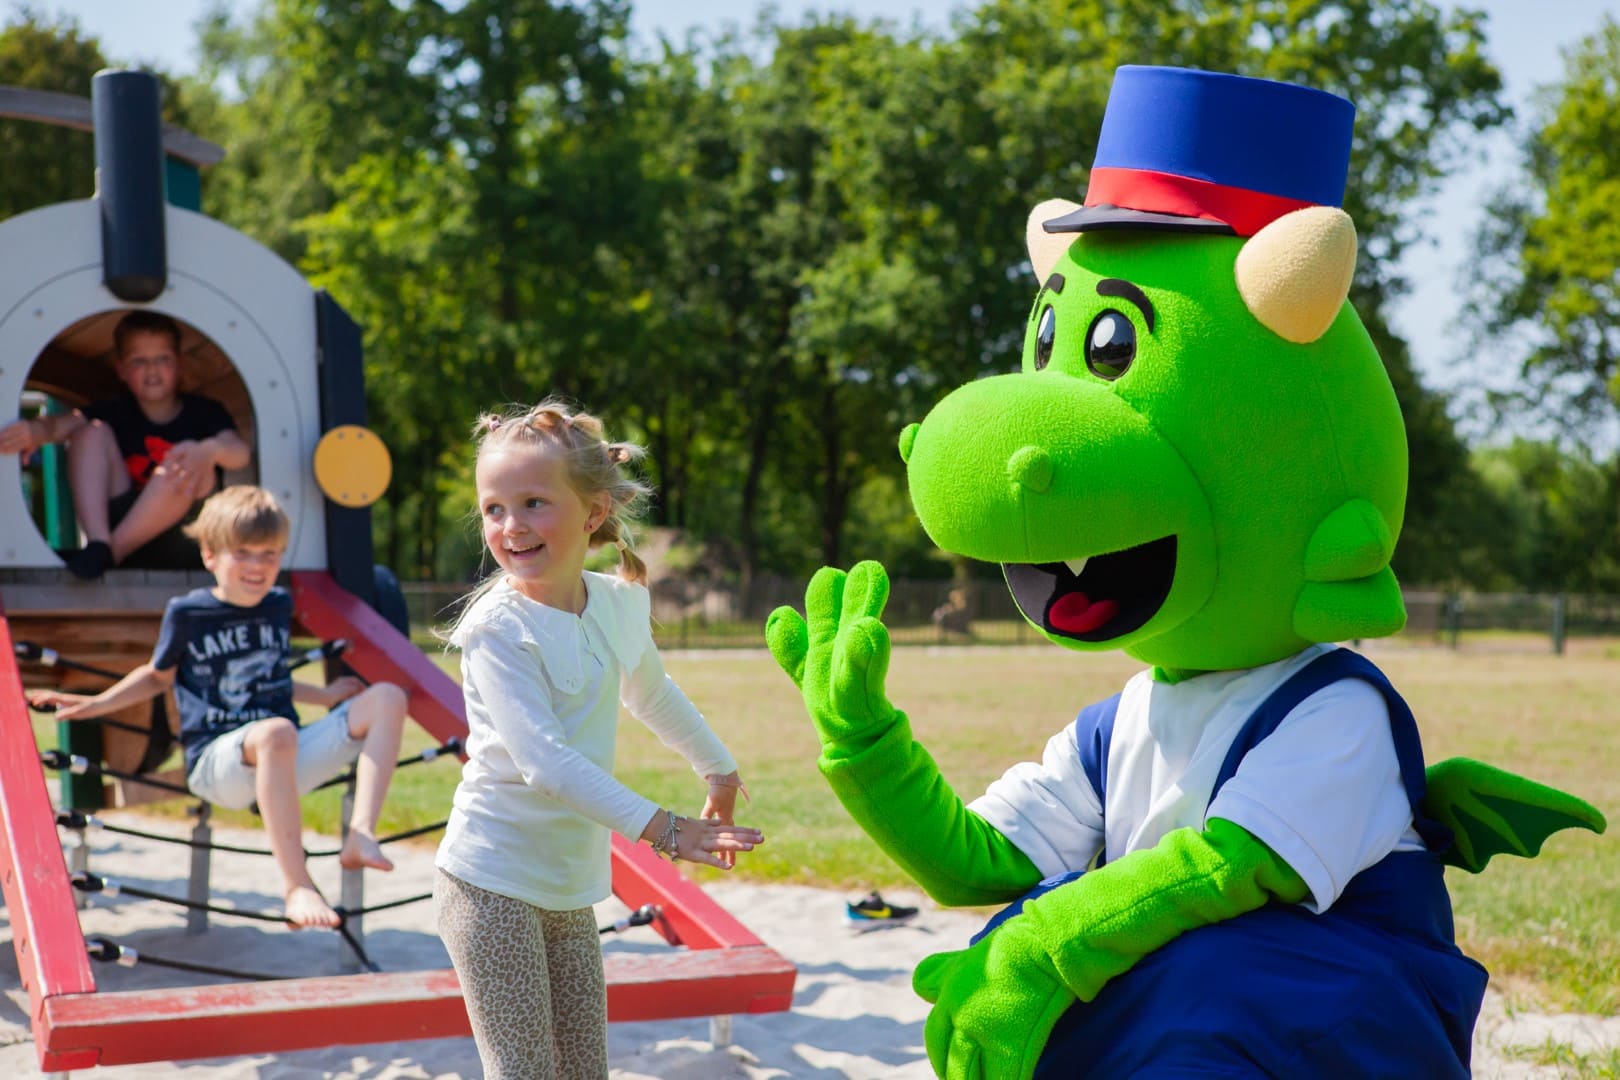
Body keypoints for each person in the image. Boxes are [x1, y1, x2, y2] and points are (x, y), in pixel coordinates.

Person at [435, 399, 763, 1079]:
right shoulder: (498, 628)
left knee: (584, 1070)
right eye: (494, 509)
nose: (510, 526)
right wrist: (664, 829)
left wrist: (719, 771)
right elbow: (545, 764)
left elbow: (650, 692)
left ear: (593, 513)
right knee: (525, 1073)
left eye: (532, 503)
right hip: (490, 882)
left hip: (569, 883)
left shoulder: (614, 602)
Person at [29, 486, 410, 929]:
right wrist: (98, 703)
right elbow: (157, 675)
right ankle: (296, 885)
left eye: (270, 553)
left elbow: (269, 680)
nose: (258, 565)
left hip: (281, 759)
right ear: (210, 555)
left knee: (387, 697)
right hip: (217, 765)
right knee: (274, 732)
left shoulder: (277, 605)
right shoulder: (188, 613)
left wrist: (324, 698)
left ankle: (360, 834)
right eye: (243, 552)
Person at [0, 309, 251, 579]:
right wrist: (34, 431)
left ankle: (110, 554)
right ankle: (98, 544)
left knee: (184, 461)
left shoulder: (204, 412)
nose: (152, 369)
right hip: (121, 528)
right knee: (91, 432)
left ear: (179, 364)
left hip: (185, 541)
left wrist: (208, 451)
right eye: (139, 361)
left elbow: (239, 453)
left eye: (162, 359)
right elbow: (60, 426)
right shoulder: (116, 410)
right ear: (121, 369)